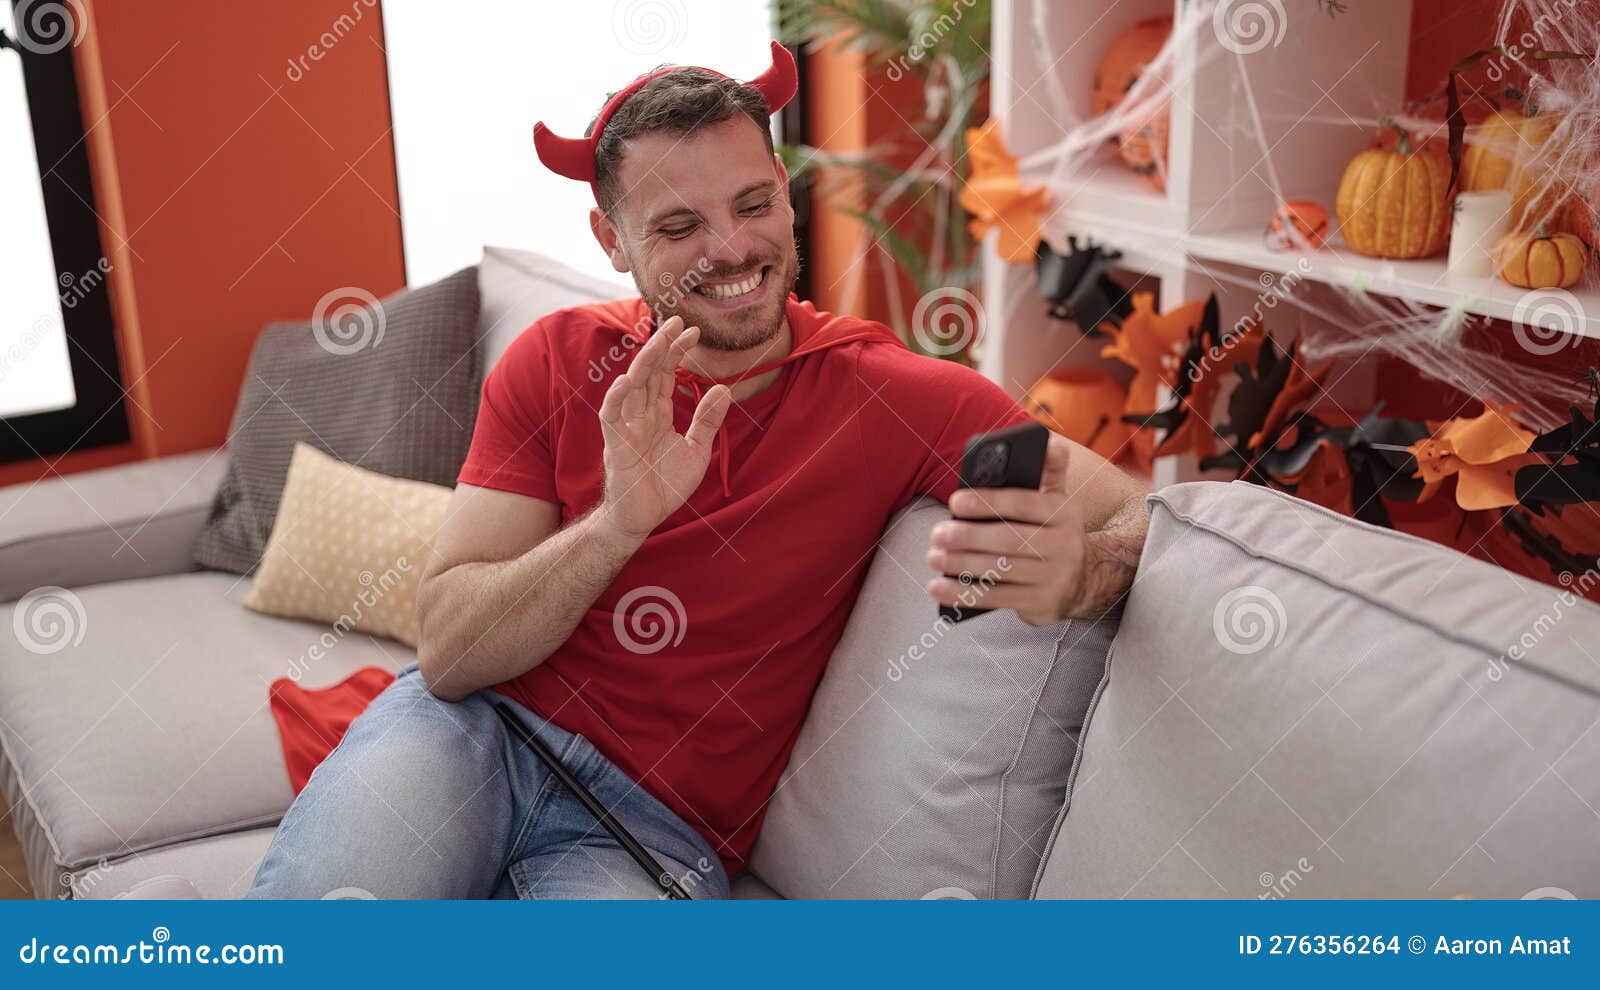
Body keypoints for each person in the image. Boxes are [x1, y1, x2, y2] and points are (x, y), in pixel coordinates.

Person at [247, 43, 1147, 900]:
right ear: (611, 239)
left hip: (647, 834)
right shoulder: (557, 360)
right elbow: (449, 655)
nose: (731, 248)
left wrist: (1084, 573)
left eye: (754, 203)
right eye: (679, 225)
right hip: (474, 734)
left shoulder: (897, 396)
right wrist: (616, 525)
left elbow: (1134, 511)